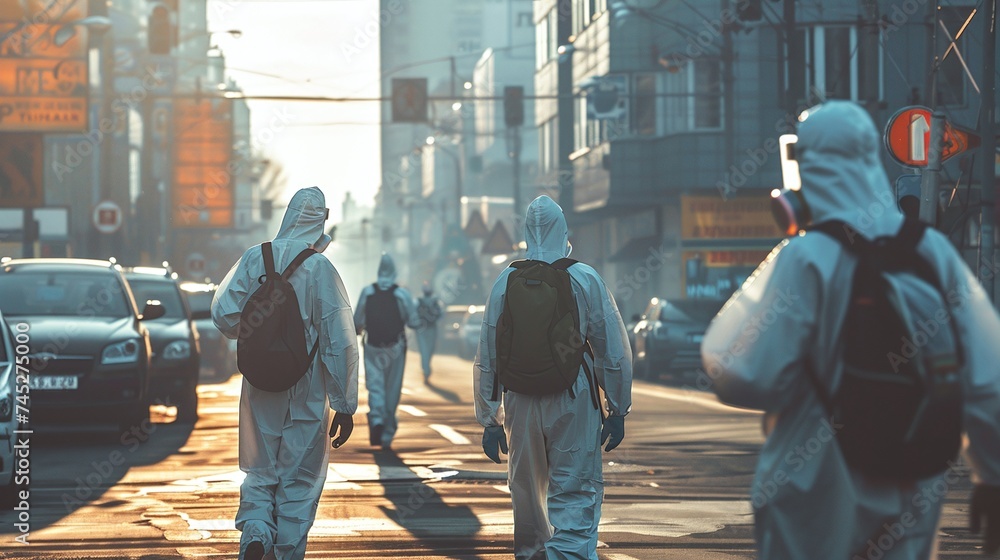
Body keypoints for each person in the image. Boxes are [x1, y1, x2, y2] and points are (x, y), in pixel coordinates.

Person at [701, 101, 1000, 559]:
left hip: (814, 486)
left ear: (808, 167)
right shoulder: (931, 251)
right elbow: (986, 377)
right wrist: (992, 476)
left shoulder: (806, 257)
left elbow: (744, 373)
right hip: (914, 481)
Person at [473, 195, 632, 560]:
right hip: (572, 396)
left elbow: (488, 354)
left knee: (527, 494)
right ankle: (565, 554)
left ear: (526, 231)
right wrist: (618, 408)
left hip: (520, 398)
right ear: (564, 230)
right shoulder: (584, 277)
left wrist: (489, 419)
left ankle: (533, 554)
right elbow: (612, 350)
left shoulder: (505, 280)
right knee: (575, 492)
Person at [212, 187, 359, 560]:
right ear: (319, 222)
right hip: (307, 389)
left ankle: (257, 533)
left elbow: (225, 315)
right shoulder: (320, 268)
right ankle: (285, 553)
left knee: (260, 470)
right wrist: (345, 404)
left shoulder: (253, 258)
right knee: (298, 480)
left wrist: (258, 330)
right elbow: (339, 340)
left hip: (260, 382)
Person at [354, 253, 419, 449]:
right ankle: (387, 432)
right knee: (392, 388)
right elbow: (414, 321)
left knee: (375, 386)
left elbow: (357, 321)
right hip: (395, 348)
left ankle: (376, 420)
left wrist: (360, 330)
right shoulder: (401, 294)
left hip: (373, 345)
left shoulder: (367, 291)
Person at [415, 282, 443, 382]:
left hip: (427, 329)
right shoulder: (420, 301)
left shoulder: (434, 302)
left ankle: (426, 368)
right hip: (425, 329)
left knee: (427, 350)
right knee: (426, 350)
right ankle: (426, 370)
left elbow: (440, 314)